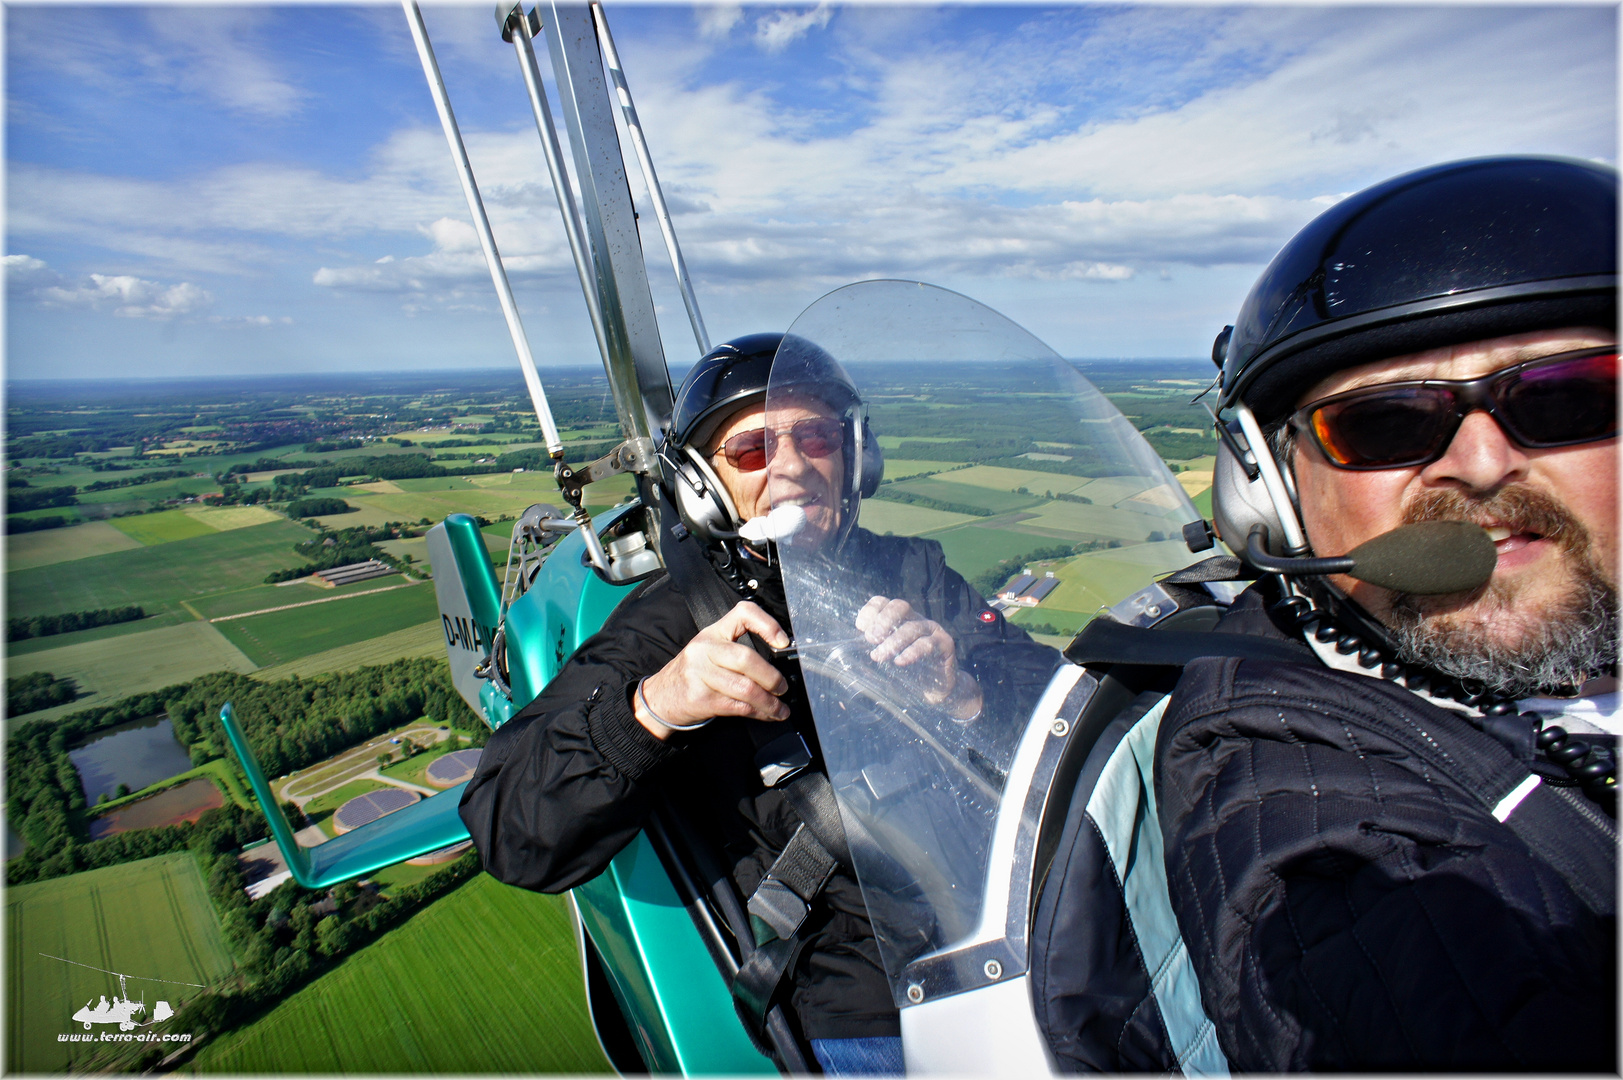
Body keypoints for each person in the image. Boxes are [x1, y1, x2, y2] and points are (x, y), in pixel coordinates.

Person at [458, 332, 1058, 1075]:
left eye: (815, 436)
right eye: (751, 451)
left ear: (855, 458)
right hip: (870, 993)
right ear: (702, 486)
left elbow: (1056, 706)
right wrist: (656, 706)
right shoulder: (671, 623)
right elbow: (509, 825)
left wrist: (962, 691)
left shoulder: (913, 572)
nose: (793, 466)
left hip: (1014, 918)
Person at [1157, 156, 1617, 1070]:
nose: (1481, 465)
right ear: (1272, 497)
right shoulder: (1304, 789)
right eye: (1383, 422)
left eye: (1568, 397)